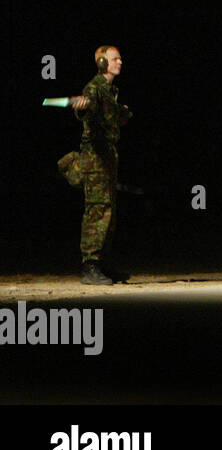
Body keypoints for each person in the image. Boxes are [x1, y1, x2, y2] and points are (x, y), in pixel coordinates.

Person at [71, 46, 132, 285]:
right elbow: (86, 109)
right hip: (95, 156)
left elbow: (114, 117)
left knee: (109, 209)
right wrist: (81, 108)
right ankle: (90, 264)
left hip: (107, 155)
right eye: (115, 58)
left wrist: (123, 113)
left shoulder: (110, 91)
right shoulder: (95, 87)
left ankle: (102, 262)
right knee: (98, 208)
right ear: (103, 63)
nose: (120, 61)